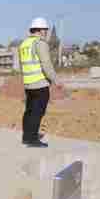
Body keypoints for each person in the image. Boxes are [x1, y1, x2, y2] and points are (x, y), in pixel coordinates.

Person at [18, 17, 58, 148]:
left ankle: (26, 137)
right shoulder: (40, 43)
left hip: (28, 84)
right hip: (40, 84)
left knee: (29, 111)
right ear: (40, 30)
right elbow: (46, 64)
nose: (46, 32)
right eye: (45, 30)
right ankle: (33, 139)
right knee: (38, 112)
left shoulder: (24, 44)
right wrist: (55, 80)